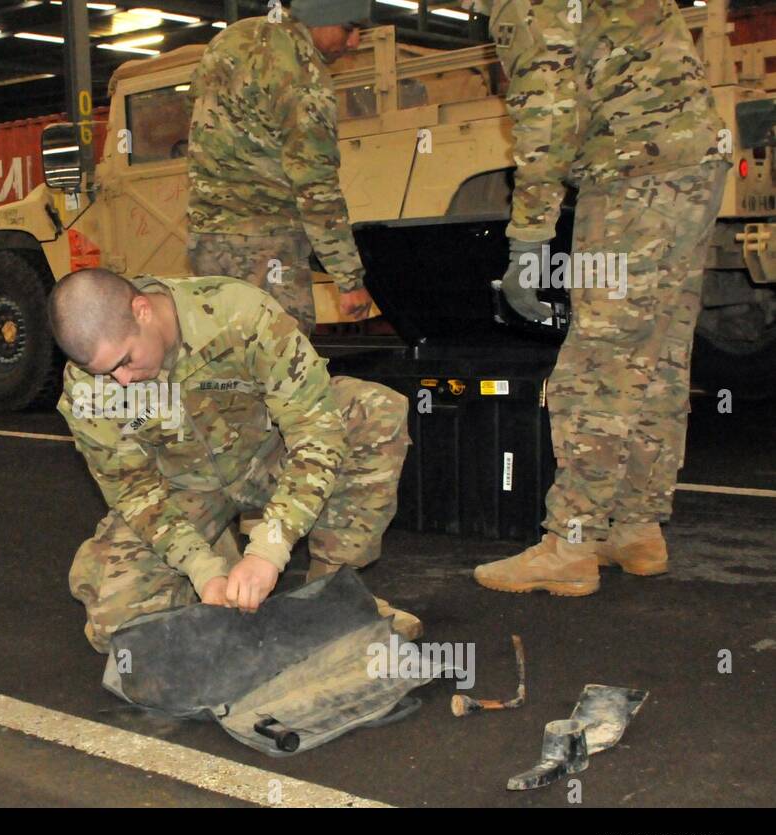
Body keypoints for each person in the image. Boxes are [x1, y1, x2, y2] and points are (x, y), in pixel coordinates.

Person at [468, 0, 730, 596]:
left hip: (632, 176)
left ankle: (573, 543)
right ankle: (636, 528)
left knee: (598, 361)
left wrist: (529, 238)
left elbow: (548, 115)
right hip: (692, 164)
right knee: (657, 357)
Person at [49, 268, 416, 651]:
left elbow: (315, 430)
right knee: (119, 627)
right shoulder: (86, 389)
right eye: (105, 372)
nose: (122, 381)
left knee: (373, 411)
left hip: (270, 457)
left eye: (125, 361)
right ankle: (218, 563)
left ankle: (331, 593)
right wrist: (201, 569)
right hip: (185, 489)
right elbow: (134, 492)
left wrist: (270, 550)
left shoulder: (237, 314)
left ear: (142, 310)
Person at [186, 0, 375, 335]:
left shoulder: (234, 37)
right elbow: (316, 185)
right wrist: (349, 279)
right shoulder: (303, 76)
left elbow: (198, 106)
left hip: (208, 239)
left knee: (223, 357)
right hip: (267, 244)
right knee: (282, 367)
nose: (354, 42)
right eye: (349, 28)